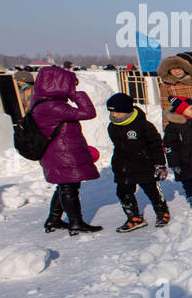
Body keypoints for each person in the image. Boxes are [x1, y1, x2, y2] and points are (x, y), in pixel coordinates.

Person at [30, 66, 103, 235]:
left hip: (57, 151)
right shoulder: (52, 106)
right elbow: (88, 113)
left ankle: (54, 219)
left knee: (65, 185)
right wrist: (75, 94)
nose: (72, 88)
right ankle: (76, 223)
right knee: (69, 187)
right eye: (69, 85)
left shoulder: (41, 101)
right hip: (62, 153)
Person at [105, 92, 169, 230]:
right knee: (123, 192)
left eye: (117, 111)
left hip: (144, 165)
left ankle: (161, 212)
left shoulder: (144, 125)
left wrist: (160, 164)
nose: (113, 114)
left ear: (127, 110)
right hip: (123, 166)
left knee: (152, 190)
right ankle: (134, 217)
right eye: (111, 111)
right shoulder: (112, 127)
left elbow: (156, 145)